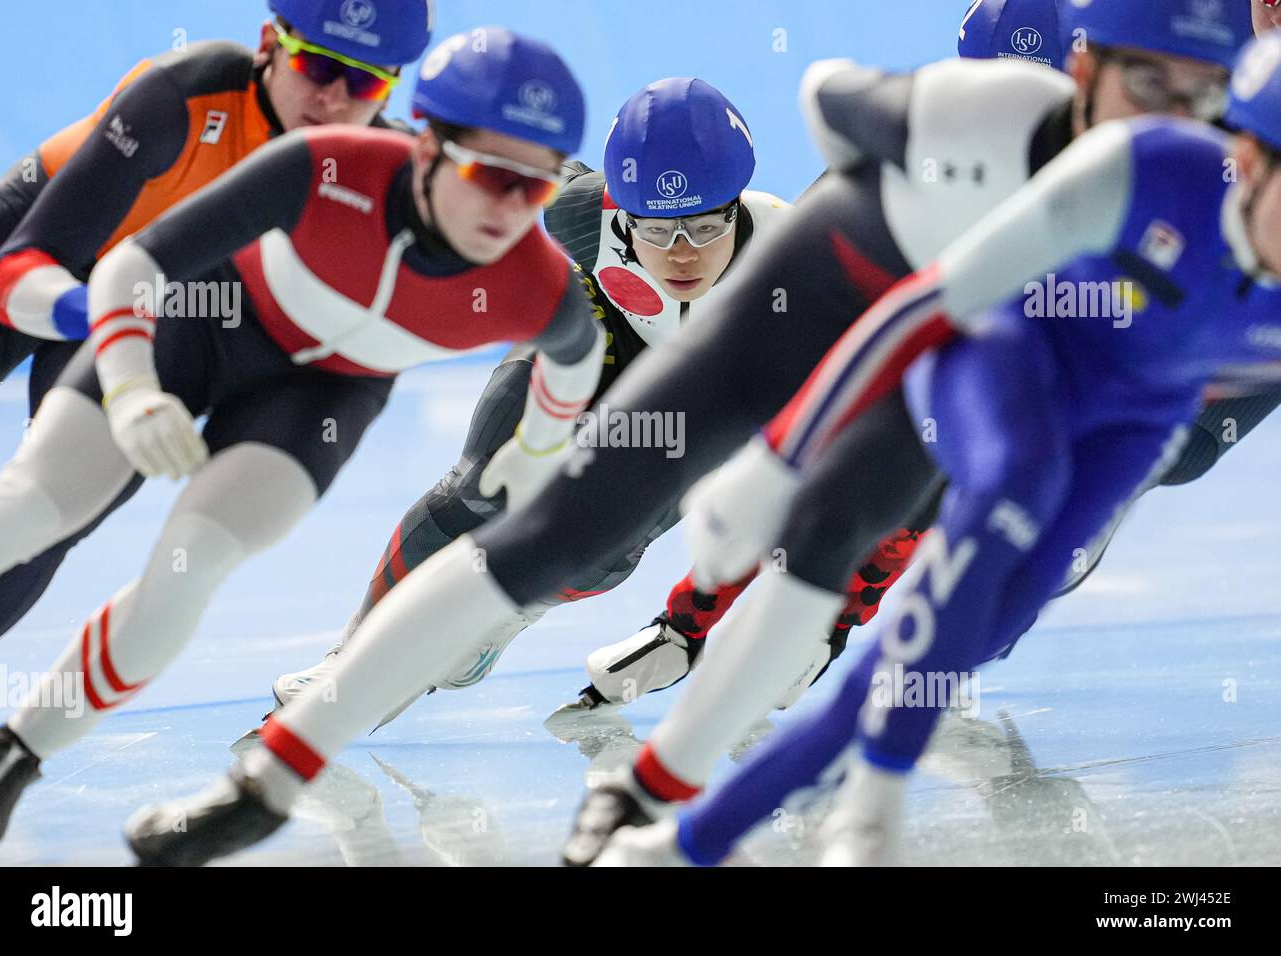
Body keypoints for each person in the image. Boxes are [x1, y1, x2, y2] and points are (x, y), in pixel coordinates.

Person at [115, 0, 1250, 869]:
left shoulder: (1187, 186)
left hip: (942, 365)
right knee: (550, 531)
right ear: (1082, 71)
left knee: (870, 581)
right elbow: (893, 243)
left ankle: (650, 793)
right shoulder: (984, 118)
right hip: (827, 314)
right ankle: (271, 774)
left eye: (1203, 98)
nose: (1172, 116)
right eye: (1146, 81)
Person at [594, 24, 1281, 867]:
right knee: (1008, 498)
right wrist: (780, 457)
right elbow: (930, 303)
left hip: (1138, 416)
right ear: (1246, 163)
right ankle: (867, 802)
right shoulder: (1144, 167)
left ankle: (695, 840)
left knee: (970, 634)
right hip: (1007, 351)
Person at [0, 26, 598, 853]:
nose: (507, 210)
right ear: (425, 146)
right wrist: (128, 389)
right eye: (490, 175)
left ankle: (8, 762)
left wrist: (535, 455)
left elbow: (579, 360)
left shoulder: (533, 281)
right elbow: (134, 266)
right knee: (33, 505)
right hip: (200, 324)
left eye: (537, 188)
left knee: (189, 574)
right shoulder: (328, 164)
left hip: (322, 396)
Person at [268, 76, 789, 724]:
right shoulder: (577, 213)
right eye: (654, 231)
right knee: (476, 488)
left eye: (706, 225)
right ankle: (353, 656)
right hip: (594, 345)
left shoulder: (791, 256)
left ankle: (510, 609)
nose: (680, 254)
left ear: (738, 204)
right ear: (621, 211)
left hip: (702, 401)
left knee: (599, 543)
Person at [0, 0, 433, 651]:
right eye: (316, 64)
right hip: (46, 255)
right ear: (268, 44)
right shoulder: (186, 92)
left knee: (51, 515)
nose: (333, 97)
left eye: (363, 81)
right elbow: (9, 273)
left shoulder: (374, 173)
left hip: (135, 315)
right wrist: (107, 307)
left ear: (392, 86)